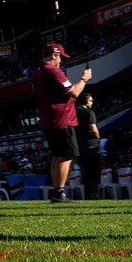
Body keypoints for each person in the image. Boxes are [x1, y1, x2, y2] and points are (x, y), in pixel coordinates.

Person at [31, 42, 91, 203]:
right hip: (62, 119)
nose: (61, 61)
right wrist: (84, 79)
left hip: (49, 119)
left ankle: (56, 192)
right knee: (66, 155)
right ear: (54, 55)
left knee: (57, 156)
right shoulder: (53, 71)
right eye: (60, 57)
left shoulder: (38, 72)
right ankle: (59, 193)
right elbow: (75, 92)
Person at [74, 93, 101, 199]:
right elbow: (94, 129)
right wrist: (98, 137)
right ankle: (94, 194)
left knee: (85, 172)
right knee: (94, 171)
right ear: (86, 101)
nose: (92, 102)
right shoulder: (89, 112)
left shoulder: (74, 112)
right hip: (91, 145)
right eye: (91, 100)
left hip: (80, 145)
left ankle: (88, 194)